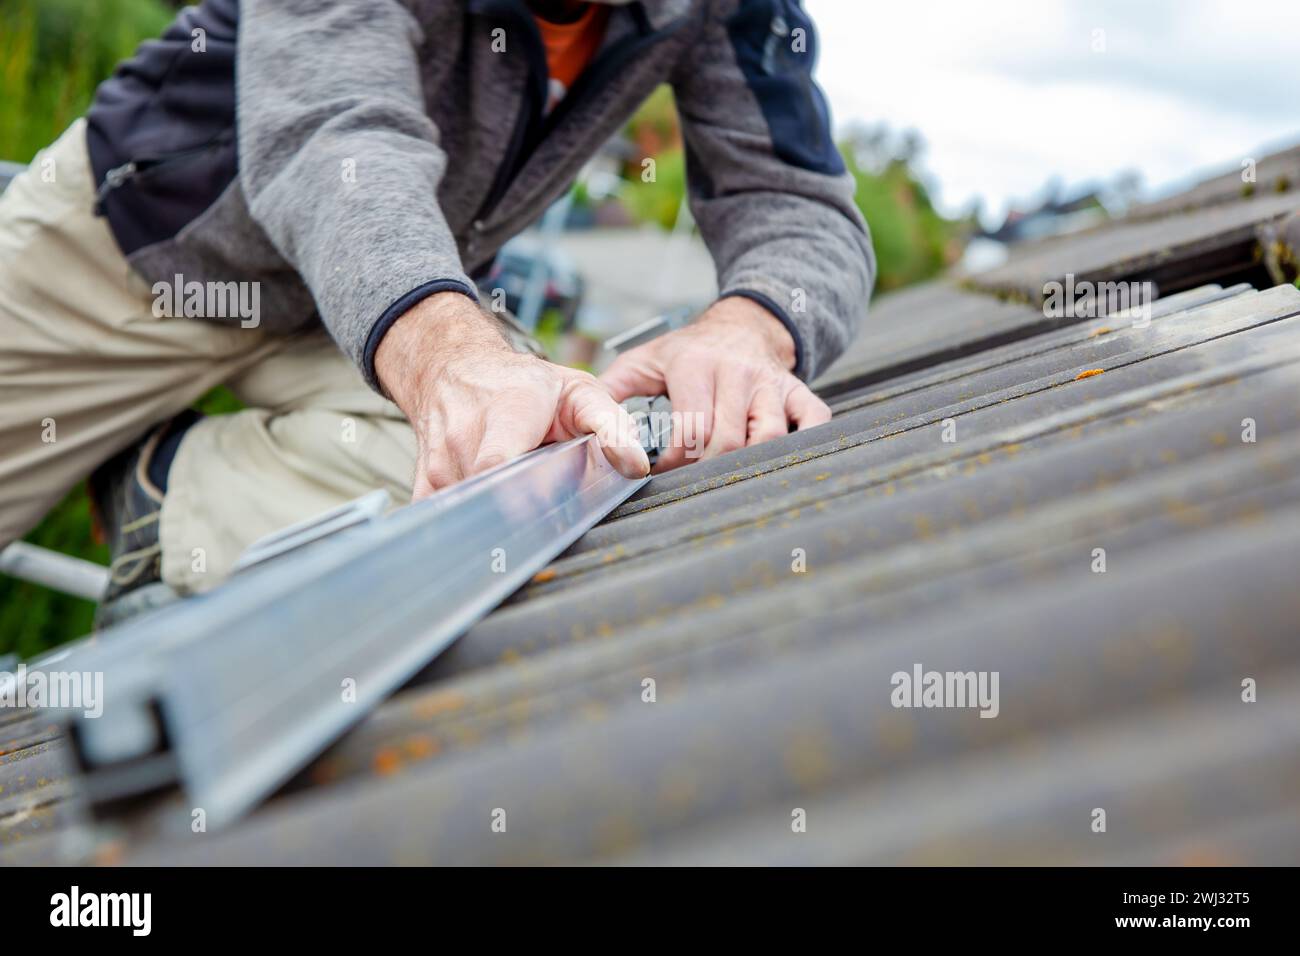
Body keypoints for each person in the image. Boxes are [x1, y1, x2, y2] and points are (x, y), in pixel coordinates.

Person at [0, 0, 874, 623]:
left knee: (533, 485)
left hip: (373, 310)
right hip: (136, 252)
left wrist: (748, 326)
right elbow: (332, 133)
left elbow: (796, 199)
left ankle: (162, 485)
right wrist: (449, 358)